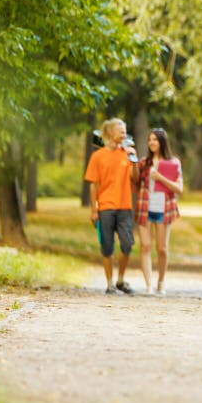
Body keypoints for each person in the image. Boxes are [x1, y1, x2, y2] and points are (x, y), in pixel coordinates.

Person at [84, 118, 139, 295]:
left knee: (127, 244)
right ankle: (109, 284)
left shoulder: (127, 153)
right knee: (107, 246)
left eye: (125, 130)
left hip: (124, 207)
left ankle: (121, 280)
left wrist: (134, 160)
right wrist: (94, 210)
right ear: (109, 133)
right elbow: (93, 184)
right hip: (105, 207)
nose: (124, 133)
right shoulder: (98, 156)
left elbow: (135, 178)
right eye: (120, 130)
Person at [133, 128, 183, 296]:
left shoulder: (174, 162)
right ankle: (148, 285)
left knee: (162, 248)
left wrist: (160, 178)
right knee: (145, 246)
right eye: (150, 140)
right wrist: (132, 162)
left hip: (164, 208)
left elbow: (179, 189)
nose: (152, 142)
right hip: (145, 207)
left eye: (155, 139)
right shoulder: (143, 162)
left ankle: (161, 282)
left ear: (162, 142)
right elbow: (134, 182)